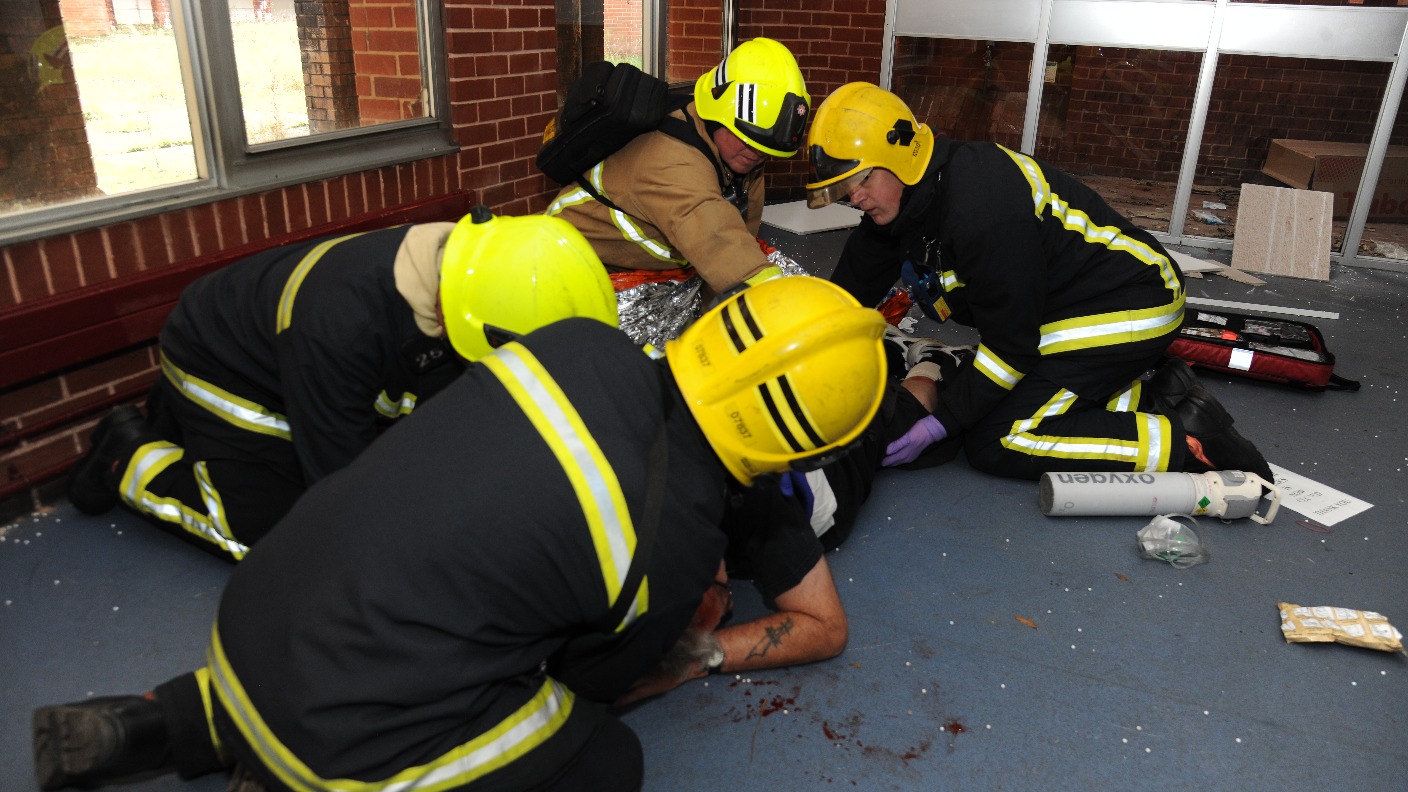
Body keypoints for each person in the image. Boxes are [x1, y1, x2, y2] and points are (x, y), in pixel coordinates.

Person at [32, 275, 889, 792]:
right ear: (800, 449)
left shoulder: (578, 345)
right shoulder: (667, 546)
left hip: (254, 606)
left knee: (402, 613)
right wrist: (688, 633)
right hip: (339, 720)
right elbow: (595, 682)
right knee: (600, 761)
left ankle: (157, 724)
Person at [64, 208, 619, 560]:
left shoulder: (477, 270)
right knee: (269, 533)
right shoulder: (342, 328)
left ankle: (194, 431)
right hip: (223, 360)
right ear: (470, 322)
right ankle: (127, 458)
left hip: (289, 351)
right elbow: (344, 489)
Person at [803, 81, 1274, 483]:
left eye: (860, 180)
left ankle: (1182, 440)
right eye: (846, 188)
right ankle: (1144, 395)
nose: (854, 197)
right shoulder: (908, 202)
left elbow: (1013, 348)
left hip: (1133, 302)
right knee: (982, 400)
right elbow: (846, 295)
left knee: (997, 440)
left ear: (899, 155)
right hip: (1069, 308)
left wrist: (940, 423)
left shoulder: (979, 208)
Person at [618, 331, 975, 704]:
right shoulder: (629, 477)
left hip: (830, 456)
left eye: (712, 597)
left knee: (896, 411)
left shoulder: (755, 502)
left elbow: (827, 628)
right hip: (761, 408)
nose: (724, 608)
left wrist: (692, 659)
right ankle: (875, 351)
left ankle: (932, 359)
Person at [546, 37, 811, 346]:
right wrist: (785, 308)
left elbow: (741, 231)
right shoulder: (670, 159)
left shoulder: (741, 153)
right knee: (638, 372)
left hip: (655, 266)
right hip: (580, 268)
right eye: (748, 141)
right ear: (717, 114)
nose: (756, 155)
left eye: (767, 151)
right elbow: (716, 237)